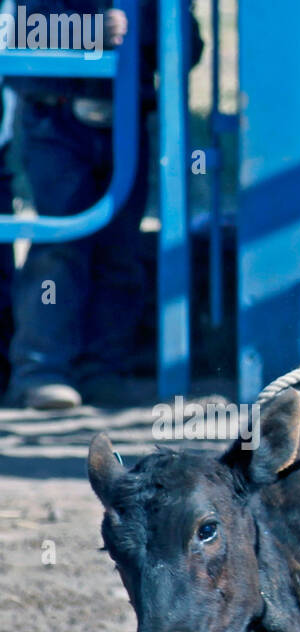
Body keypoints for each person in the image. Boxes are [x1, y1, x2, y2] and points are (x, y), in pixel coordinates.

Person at [5, 2, 200, 410]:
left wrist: (152, 26)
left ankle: (104, 370)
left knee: (121, 249)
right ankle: (41, 371)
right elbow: (19, 29)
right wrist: (88, 32)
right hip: (54, 114)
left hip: (126, 119)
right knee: (58, 246)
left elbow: (189, 46)